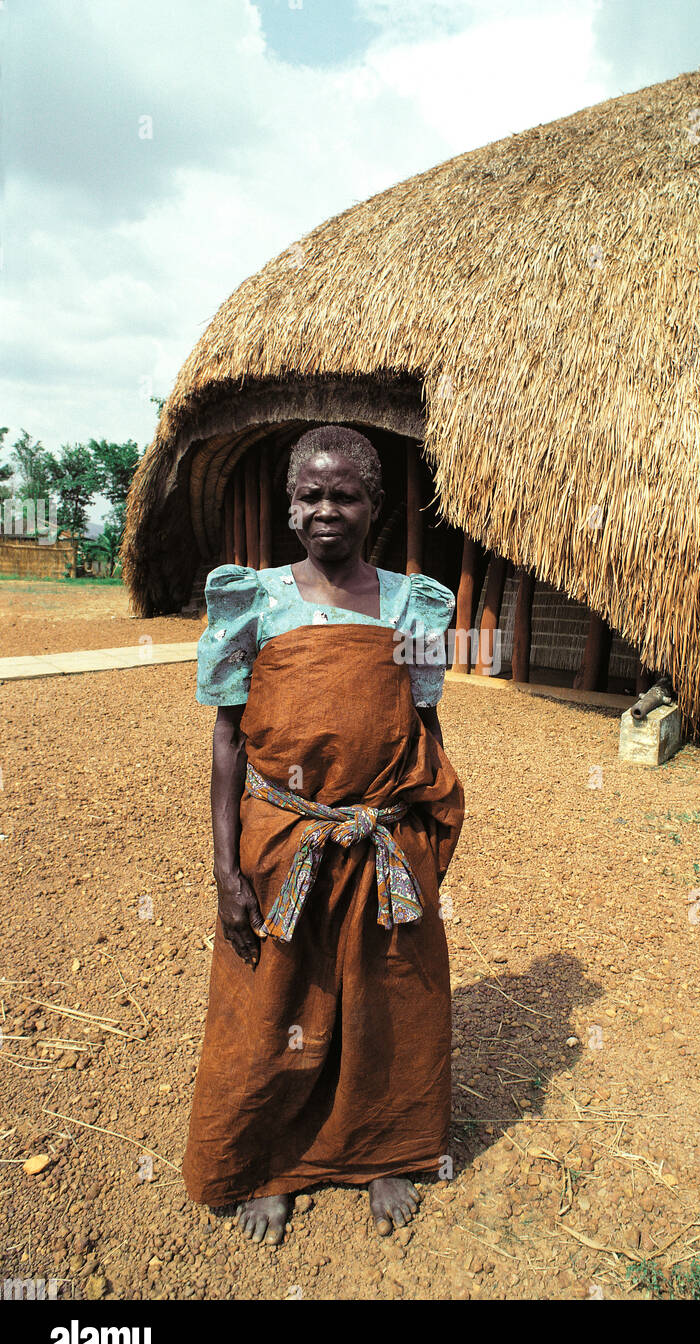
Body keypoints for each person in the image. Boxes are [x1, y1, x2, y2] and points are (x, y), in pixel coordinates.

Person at [182, 425, 464, 1244]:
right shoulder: (254, 600)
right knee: (274, 1003)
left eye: (344, 495)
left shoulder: (414, 604)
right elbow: (229, 738)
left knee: (387, 996)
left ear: (375, 505)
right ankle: (271, 1161)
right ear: (290, 503)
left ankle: (379, 1149)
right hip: (284, 844)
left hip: (383, 839)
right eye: (310, 495)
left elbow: (424, 725)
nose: (325, 511)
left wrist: (430, 834)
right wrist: (226, 869)